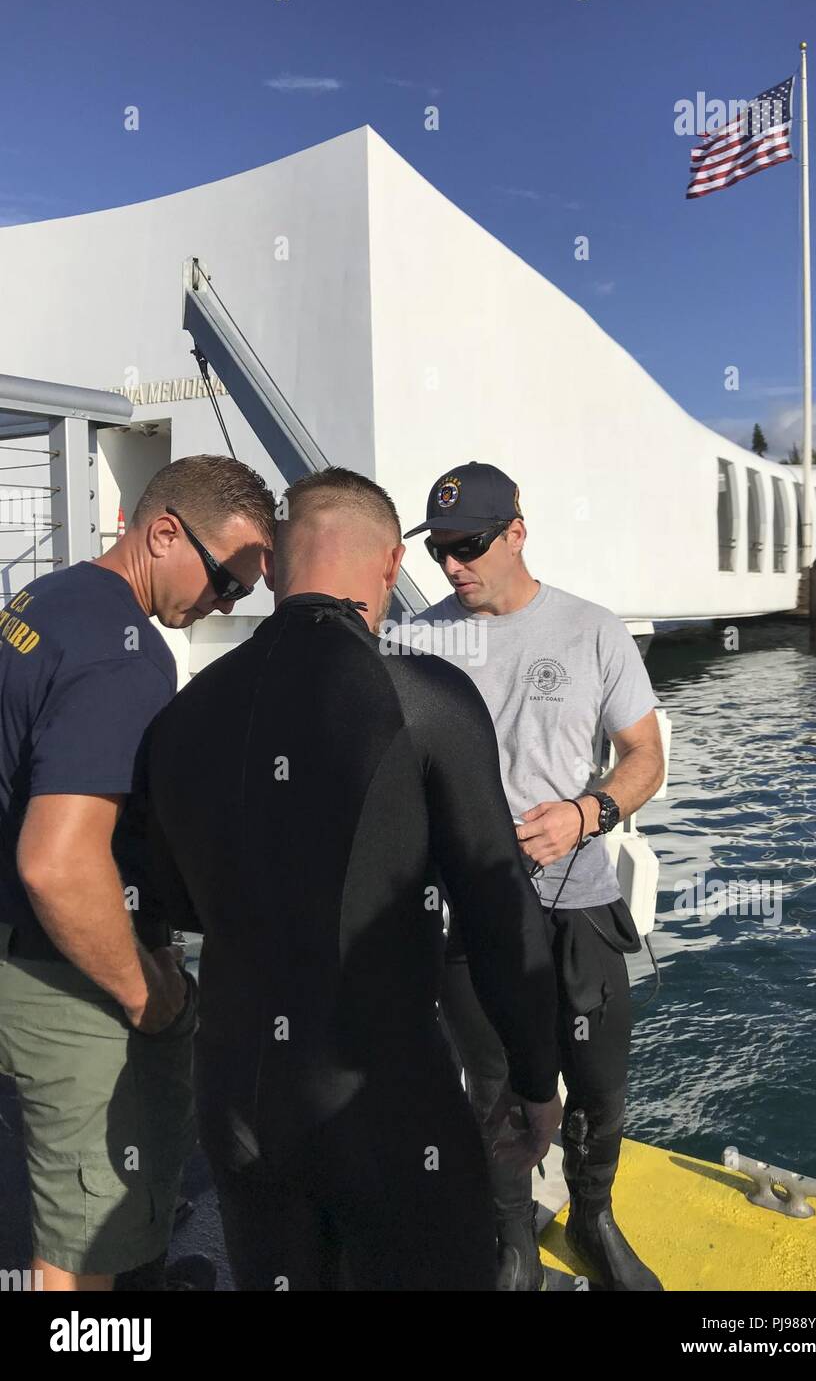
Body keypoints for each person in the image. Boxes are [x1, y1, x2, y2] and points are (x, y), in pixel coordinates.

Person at [145, 466, 561, 1291]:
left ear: (275, 568)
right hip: (386, 1106)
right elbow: (498, 908)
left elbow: (162, 898)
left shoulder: (183, 714)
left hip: (235, 1100)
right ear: (384, 568)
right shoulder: (425, 697)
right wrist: (534, 1080)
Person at [0, 455, 274, 1292]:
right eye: (226, 579)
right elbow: (56, 861)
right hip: (66, 976)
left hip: (18, 951)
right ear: (162, 533)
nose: (226, 605)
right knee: (89, 1238)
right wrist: (144, 994)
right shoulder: (129, 656)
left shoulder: (43, 601)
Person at [404, 461, 665, 1291]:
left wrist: (587, 815)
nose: (450, 565)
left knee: (599, 1082)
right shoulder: (417, 642)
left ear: (518, 532)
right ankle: (511, 1238)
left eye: (468, 545)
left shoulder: (593, 630)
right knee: (495, 1084)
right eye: (440, 549)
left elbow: (643, 756)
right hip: (469, 907)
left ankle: (593, 1217)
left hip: (579, 896)